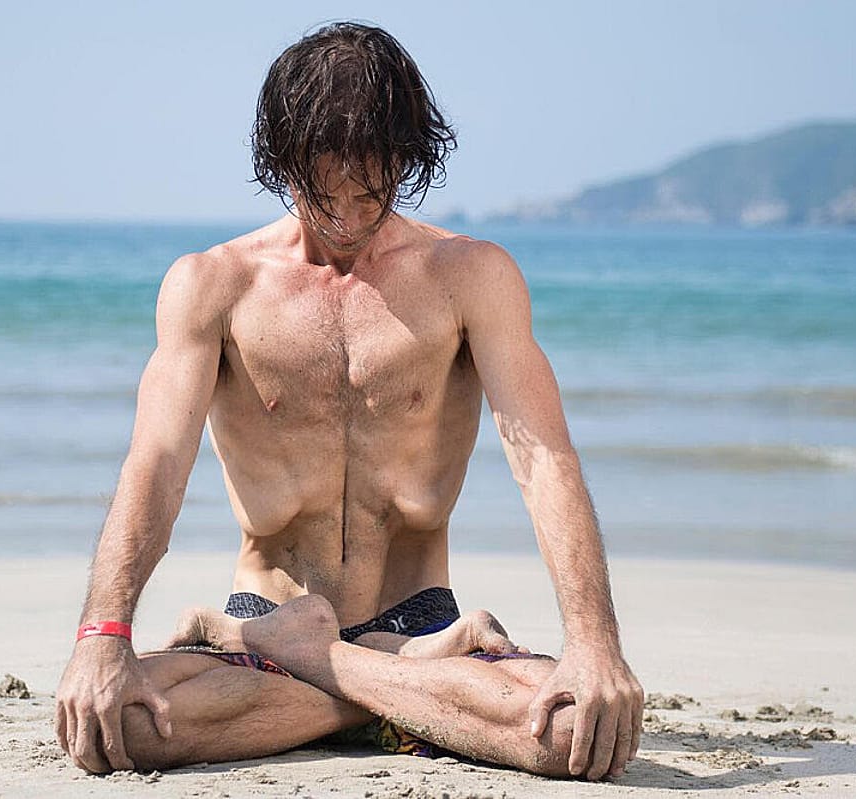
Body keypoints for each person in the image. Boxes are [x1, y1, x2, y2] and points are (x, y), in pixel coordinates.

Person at [55, 21, 643, 780]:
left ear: (405, 160)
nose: (347, 222)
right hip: (266, 615)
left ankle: (329, 665)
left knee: (574, 733)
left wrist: (594, 642)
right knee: (117, 726)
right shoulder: (215, 284)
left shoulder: (471, 275)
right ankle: (397, 689)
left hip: (416, 618)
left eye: (370, 193)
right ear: (282, 163)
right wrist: (103, 632)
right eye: (321, 194)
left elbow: (545, 461)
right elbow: (157, 463)